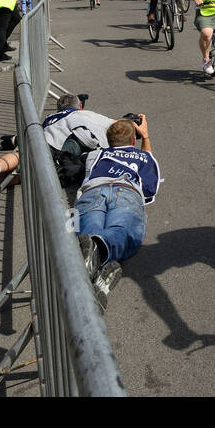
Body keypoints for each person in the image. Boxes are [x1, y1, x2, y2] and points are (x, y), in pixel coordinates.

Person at [76, 114, 161, 310]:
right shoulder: (144, 157)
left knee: (87, 236)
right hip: (126, 191)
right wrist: (145, 137)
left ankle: (94, 262)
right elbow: (150, 191)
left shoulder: (95, 155)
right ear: (133, 141)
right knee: (124, 231)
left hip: (93, 190)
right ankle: (101, 255)